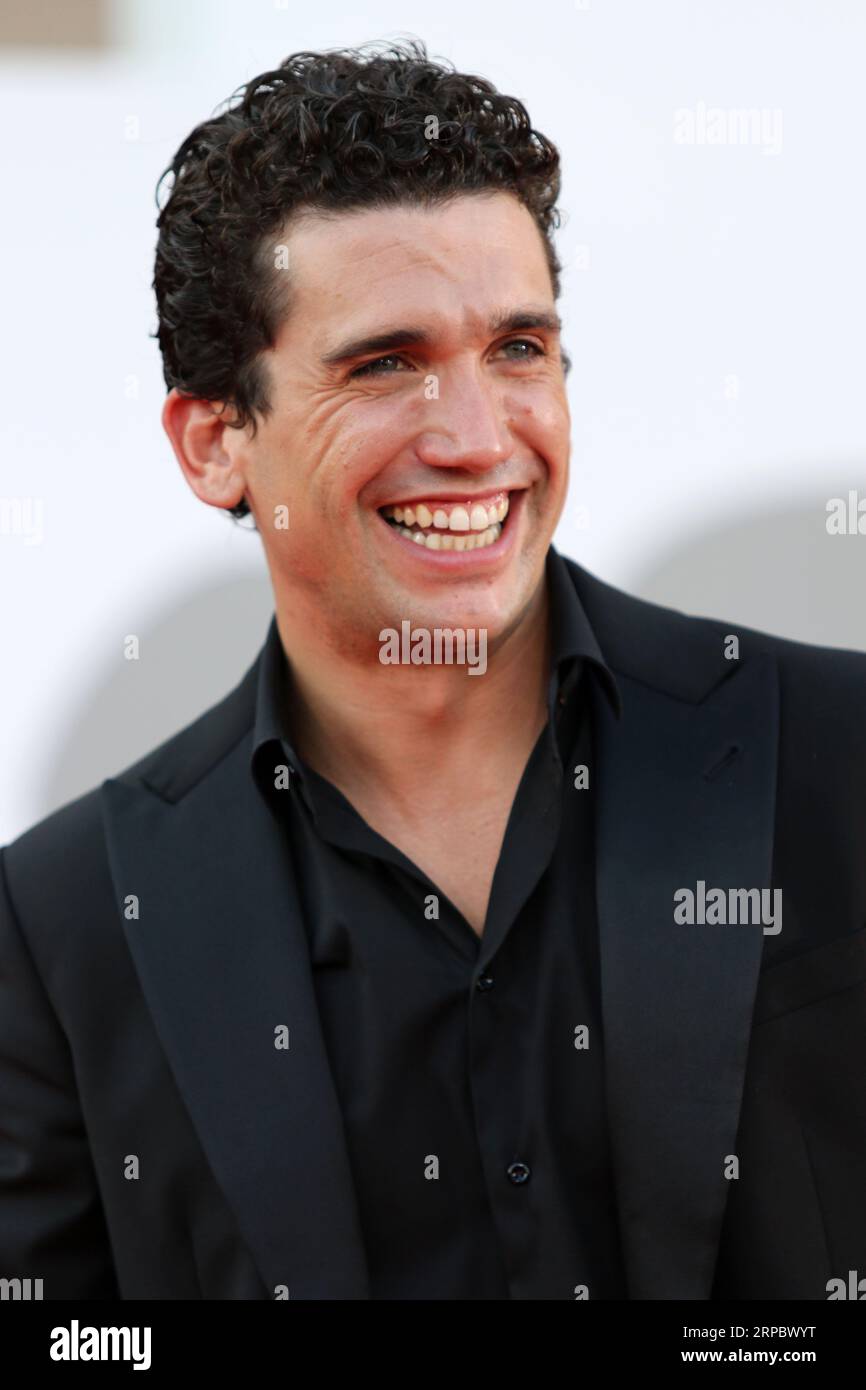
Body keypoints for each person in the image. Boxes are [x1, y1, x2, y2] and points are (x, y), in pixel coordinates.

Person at [2, 40, 865, 1302]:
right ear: (212, 443)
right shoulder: (63, 930)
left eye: (516, 348)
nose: (473, 439)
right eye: (384, 365)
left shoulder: (839, 757)